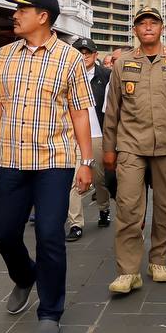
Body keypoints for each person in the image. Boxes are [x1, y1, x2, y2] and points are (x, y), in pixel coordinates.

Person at [0, 0, 93, 333]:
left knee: (49, 235)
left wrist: (85, 161)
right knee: (4, 233)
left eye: (22, 10)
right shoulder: (4, 55)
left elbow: (80, 111)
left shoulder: (69, 58)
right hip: (10, 159)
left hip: (54, 161)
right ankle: (25, 276)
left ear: (43, 17)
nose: (15, 15)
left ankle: (50, 311)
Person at [103, 6, 166, 295]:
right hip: (130, 146)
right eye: (142, 24)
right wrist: (108, 150)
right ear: (135, 30)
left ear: (162, 28)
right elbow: (112, 110)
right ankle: (128, 271)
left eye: (154, 23)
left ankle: (158, 260)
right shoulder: (122, 63)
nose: (148, 27)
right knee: (127, 208)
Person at [66, 37, 113, 239]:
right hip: (72, 136)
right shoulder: (66, 74)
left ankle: (104, 208)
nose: (84, 57)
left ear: (95, 55)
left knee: (100, 180)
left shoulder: (107, 75)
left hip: (98, 135)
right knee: (74, 181)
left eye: (88, 53)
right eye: (80, 53)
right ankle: (76, 223)